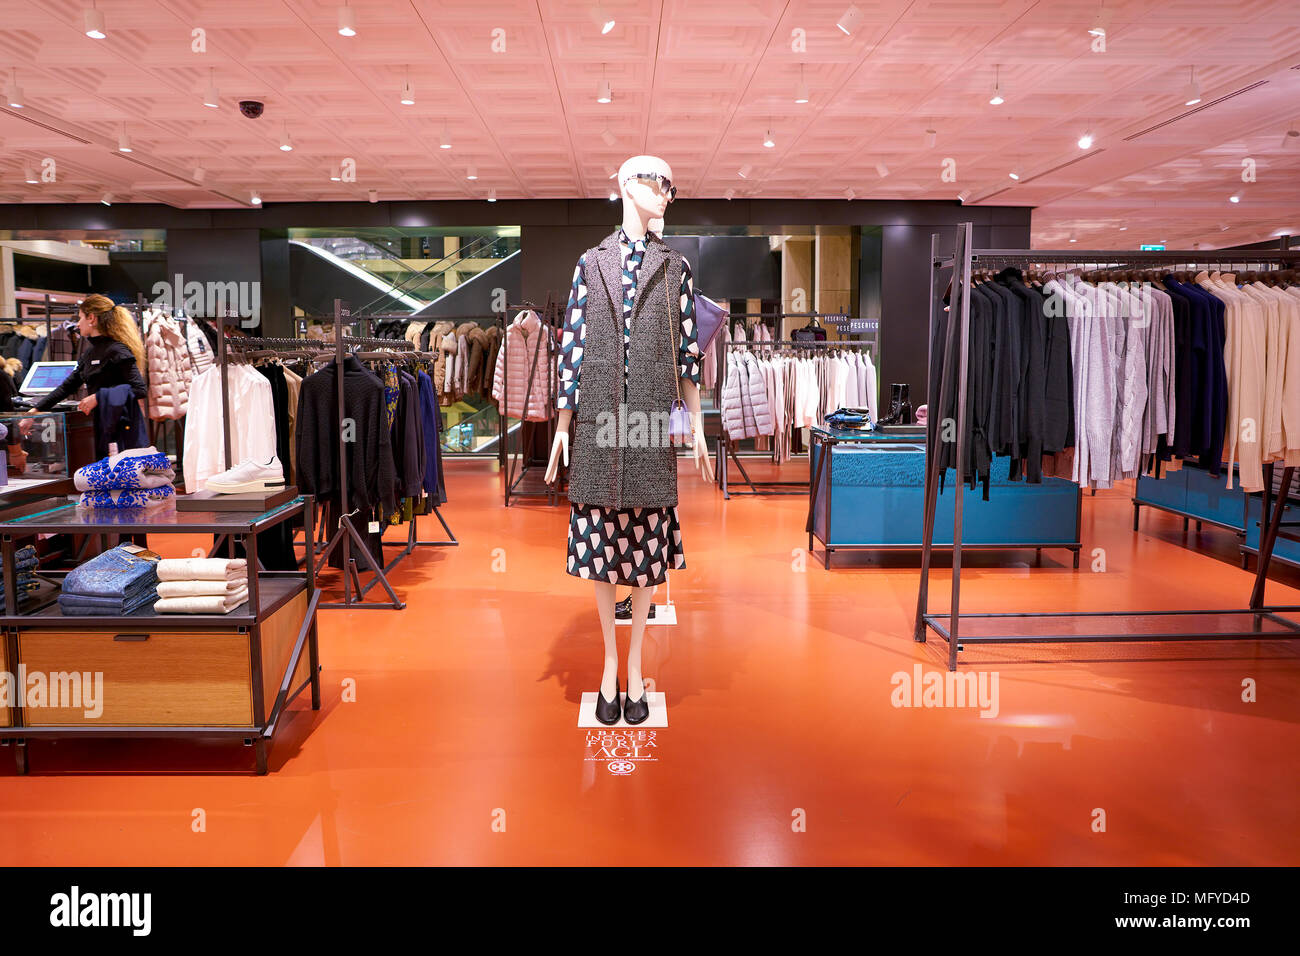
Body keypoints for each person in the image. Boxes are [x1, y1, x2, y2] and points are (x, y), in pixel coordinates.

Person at [36, 294, 148, 457]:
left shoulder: (117, 350)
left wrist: (98, 397)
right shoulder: (90, 353)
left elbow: (139, 389)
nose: (78, 323)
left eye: (80, 317)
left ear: (92, 318)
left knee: (125, 477)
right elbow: (68, 386)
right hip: (102, 425)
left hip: (123, 427)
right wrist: (36, 410)